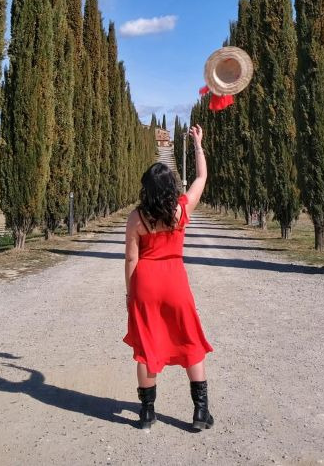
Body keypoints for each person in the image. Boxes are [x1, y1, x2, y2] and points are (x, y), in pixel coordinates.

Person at [123, 124, 214, 431]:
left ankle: (147, 414)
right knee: (190, 341)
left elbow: (132, 258)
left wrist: (130, 294)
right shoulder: (180, 210)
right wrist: (198, 145)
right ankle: (200, 412)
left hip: (146, 283)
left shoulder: (137, 217)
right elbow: (201, 177)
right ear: (171, 187)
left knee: (147, 346)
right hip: (176, 282)